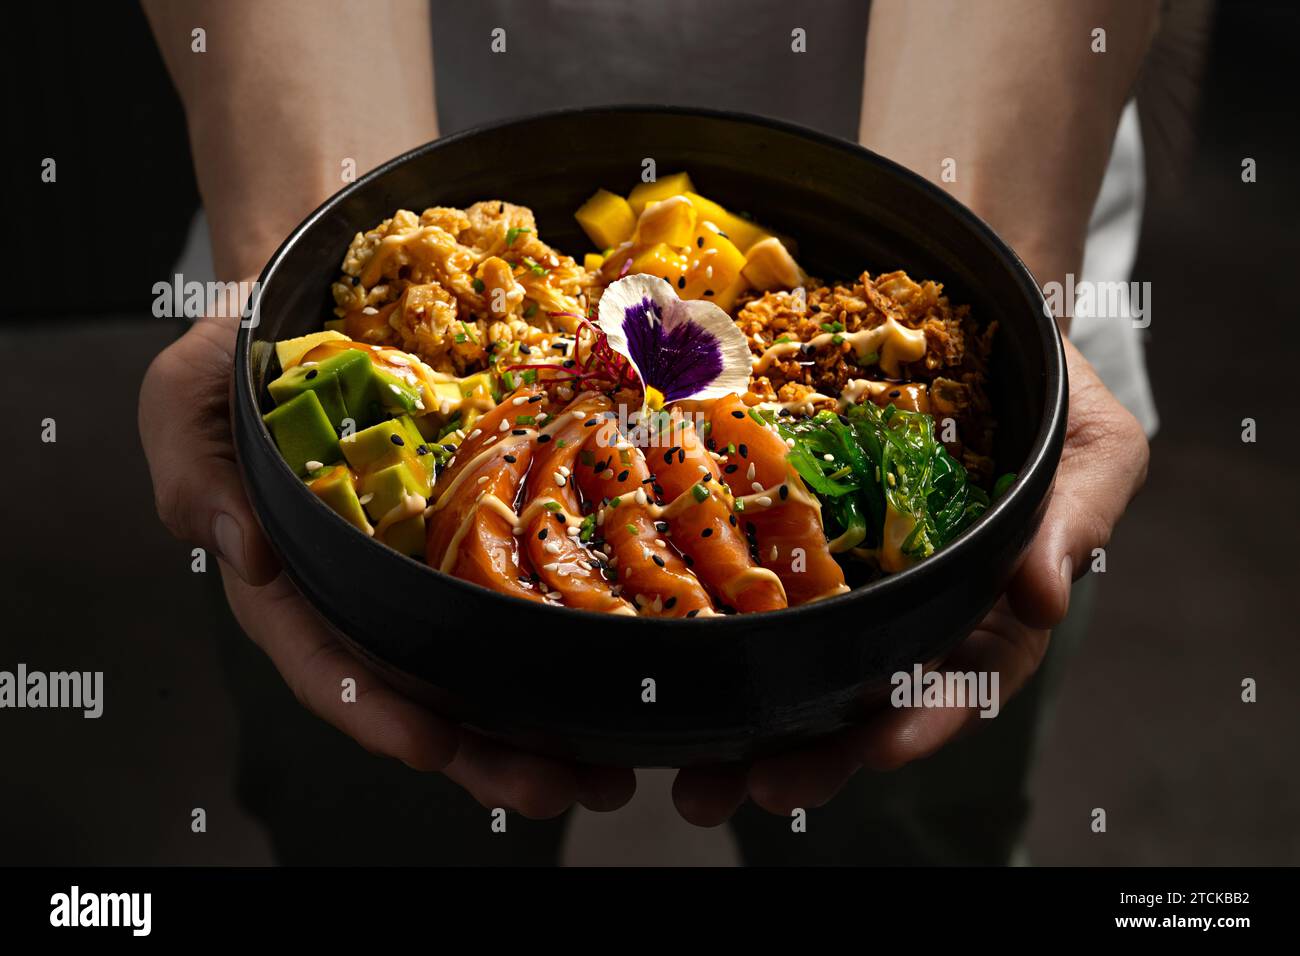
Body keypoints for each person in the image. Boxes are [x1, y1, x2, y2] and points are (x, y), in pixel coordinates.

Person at [138, 0, 1152, 864]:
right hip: (332, 146)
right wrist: (302, 227)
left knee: (909, 832)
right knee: (376, 822)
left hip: (1012, 158)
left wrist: (981, 253)